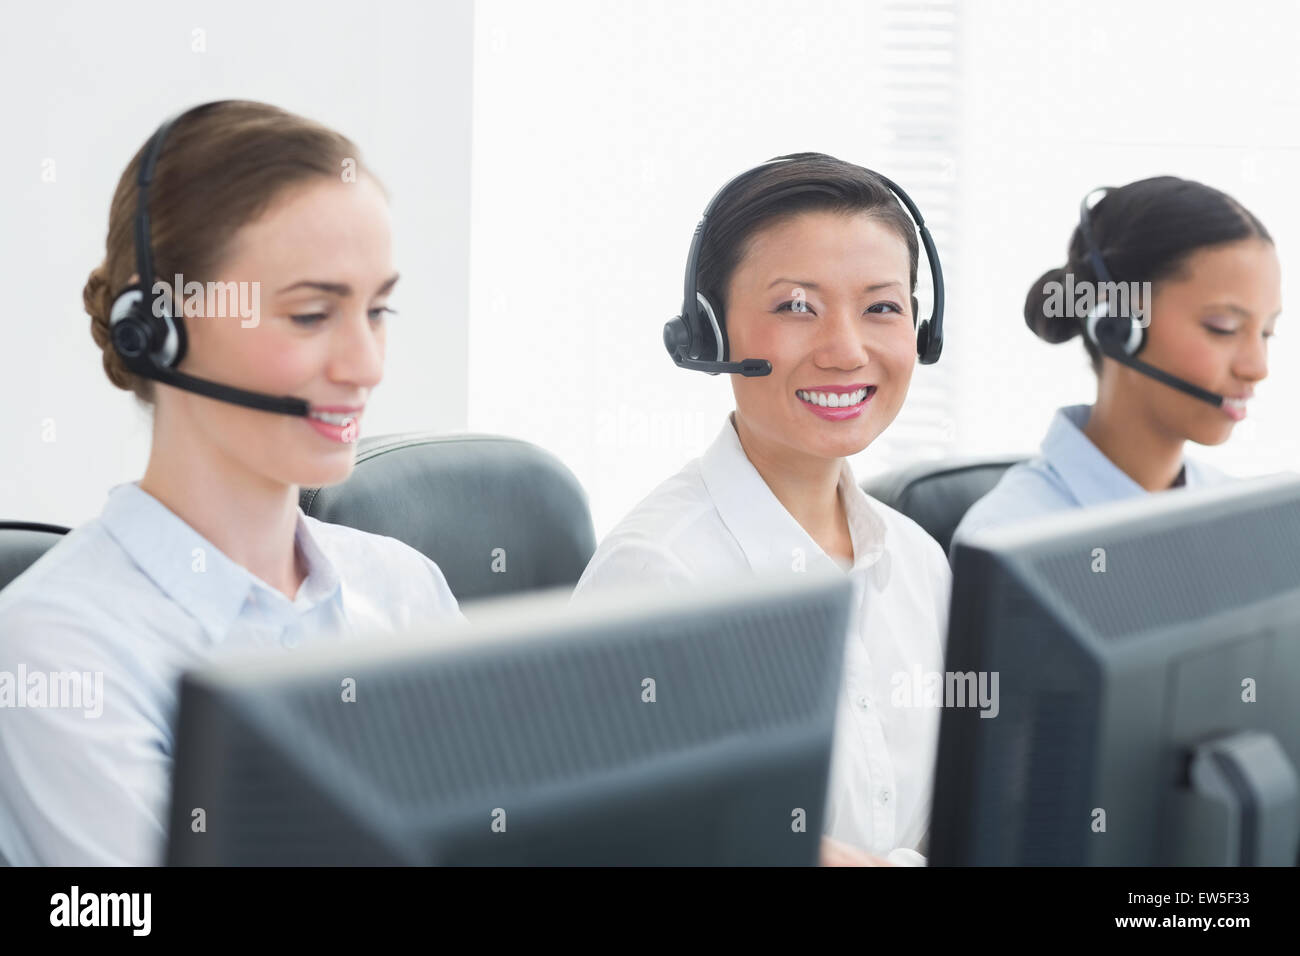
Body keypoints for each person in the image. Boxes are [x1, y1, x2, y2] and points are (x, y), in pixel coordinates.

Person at [0, 101, 462, 866]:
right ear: (157, 332)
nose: (368, 365)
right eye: (312, 314)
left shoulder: (406, 588)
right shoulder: (55, 651)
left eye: (377, 310)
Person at [573, 153, 952, 865]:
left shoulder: (918, 563)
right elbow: (632, 840)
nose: (846, 350)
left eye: (882, 307)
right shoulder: (658, 577)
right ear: (711, 336)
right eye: (796, 306)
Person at [951, 176, 1280, 555]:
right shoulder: (1007, 540)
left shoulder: (1244, 520)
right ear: (1117, 325)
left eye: (1267, 333)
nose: (1258, 368)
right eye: (1223, 328)